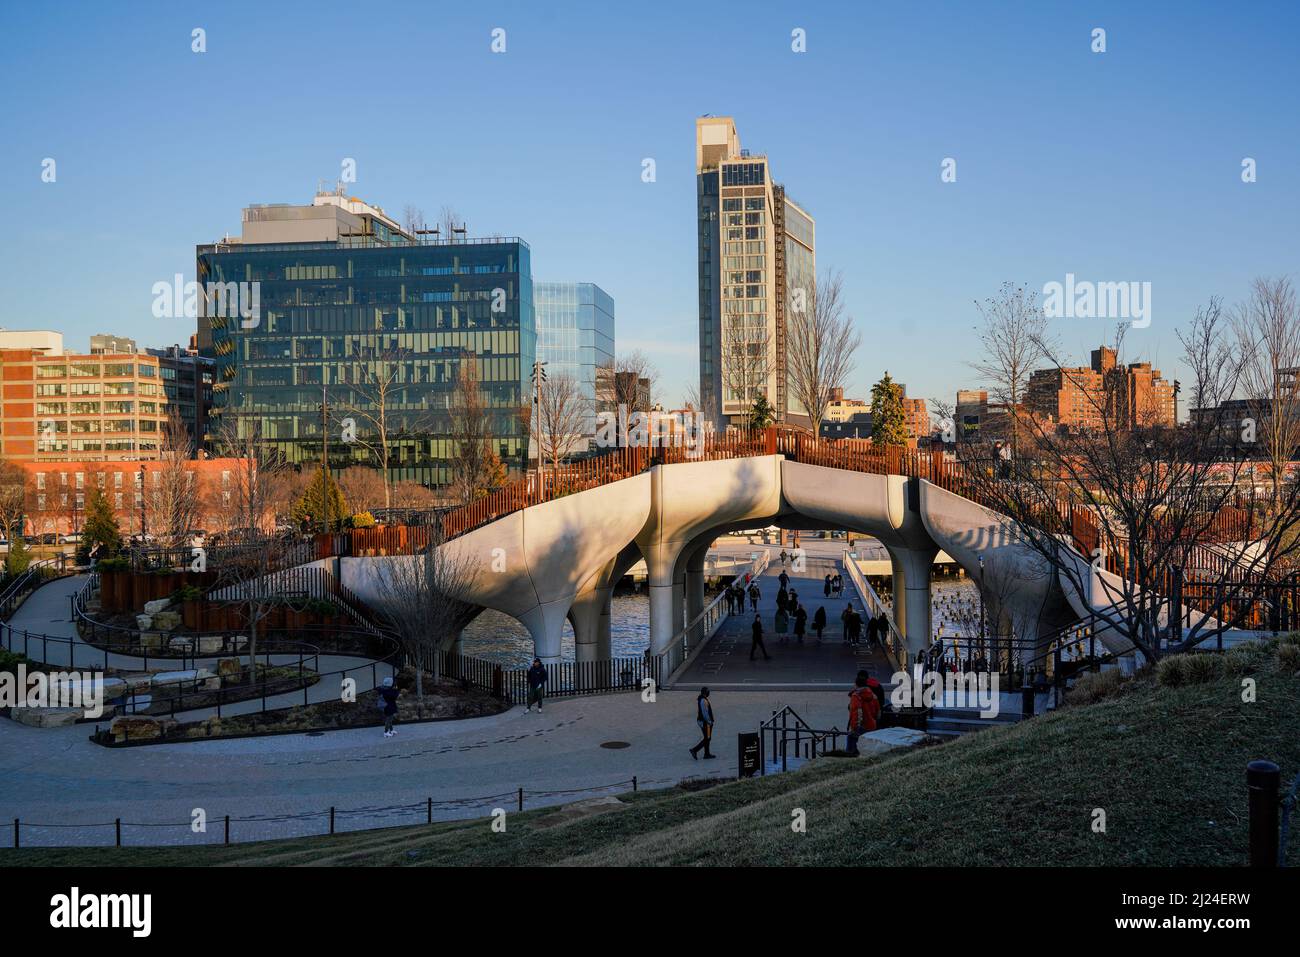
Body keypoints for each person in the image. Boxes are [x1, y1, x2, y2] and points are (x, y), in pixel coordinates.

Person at [845, 673, 880, 756]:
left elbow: (856, 712)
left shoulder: (856, 696)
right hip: (871, 725)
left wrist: (854, 728)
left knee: (852, 746)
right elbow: (878, 711)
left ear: (856, 684)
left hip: (860, 727)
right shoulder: (872, 695)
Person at [690, 687, 717, 760]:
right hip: (706, 723)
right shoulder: (703, 700)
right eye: (708, 691)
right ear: (705, 692)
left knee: (707, 738)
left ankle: (706, 753)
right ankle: (694, 750)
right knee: (707, 738)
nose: (709, 693)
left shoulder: (702, 699)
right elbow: (705, 713)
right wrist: (709, 721)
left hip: (703, 722)